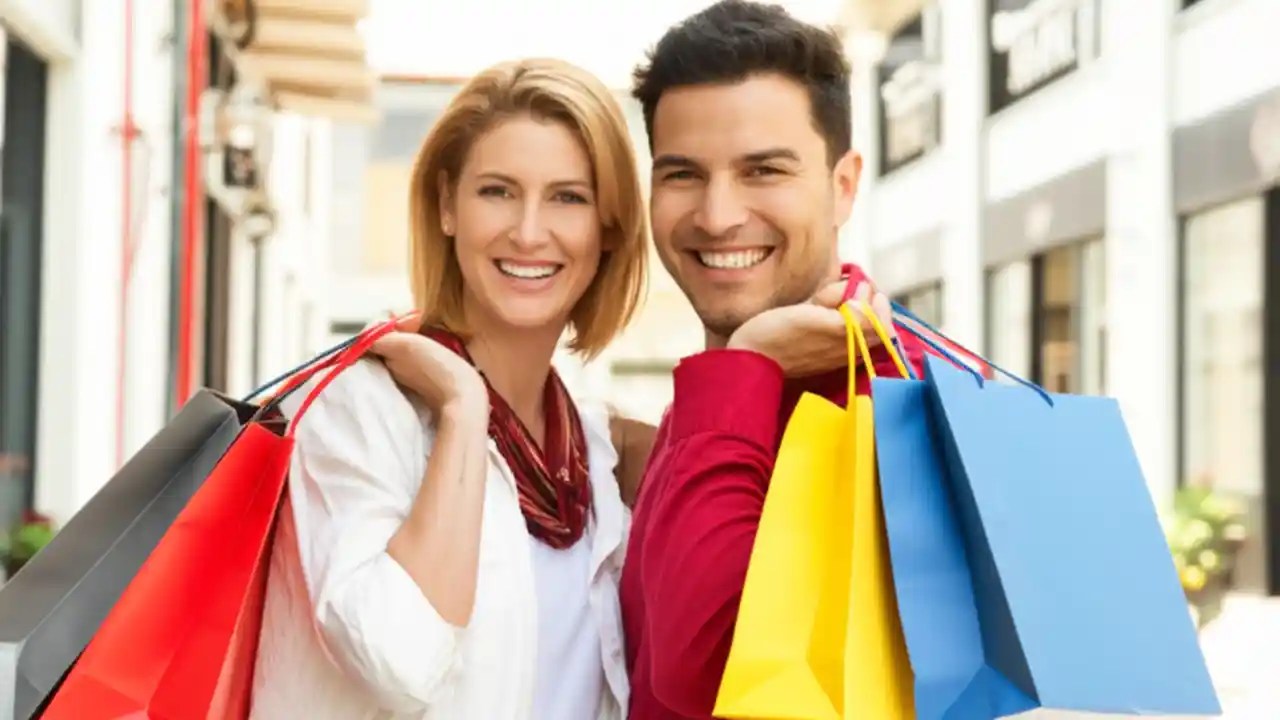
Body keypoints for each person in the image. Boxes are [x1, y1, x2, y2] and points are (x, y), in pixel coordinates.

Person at [252, 57, 647, 720]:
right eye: (497, 191)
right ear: (446, 206)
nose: (529, 231)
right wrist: (464, 411)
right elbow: (398, 661)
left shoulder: (591, 455)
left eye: (568, 197)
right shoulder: (360, 411)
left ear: (608, 226)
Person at [618, 2, 931, 718]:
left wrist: (745, 367)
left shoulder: (896, 401)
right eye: (682, 174)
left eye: (763, 170)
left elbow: (712, 676)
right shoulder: (710, 396)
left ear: (842, 186)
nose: (718, 215)